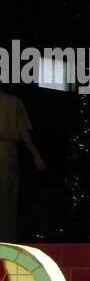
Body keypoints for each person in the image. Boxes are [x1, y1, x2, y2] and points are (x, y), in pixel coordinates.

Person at [0, 88, 45, 240]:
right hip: (7, 152)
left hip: (7, 151)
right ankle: (6, 240)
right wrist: (36, 157)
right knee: (7, 199)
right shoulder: (13, 102)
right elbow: (23, 131)